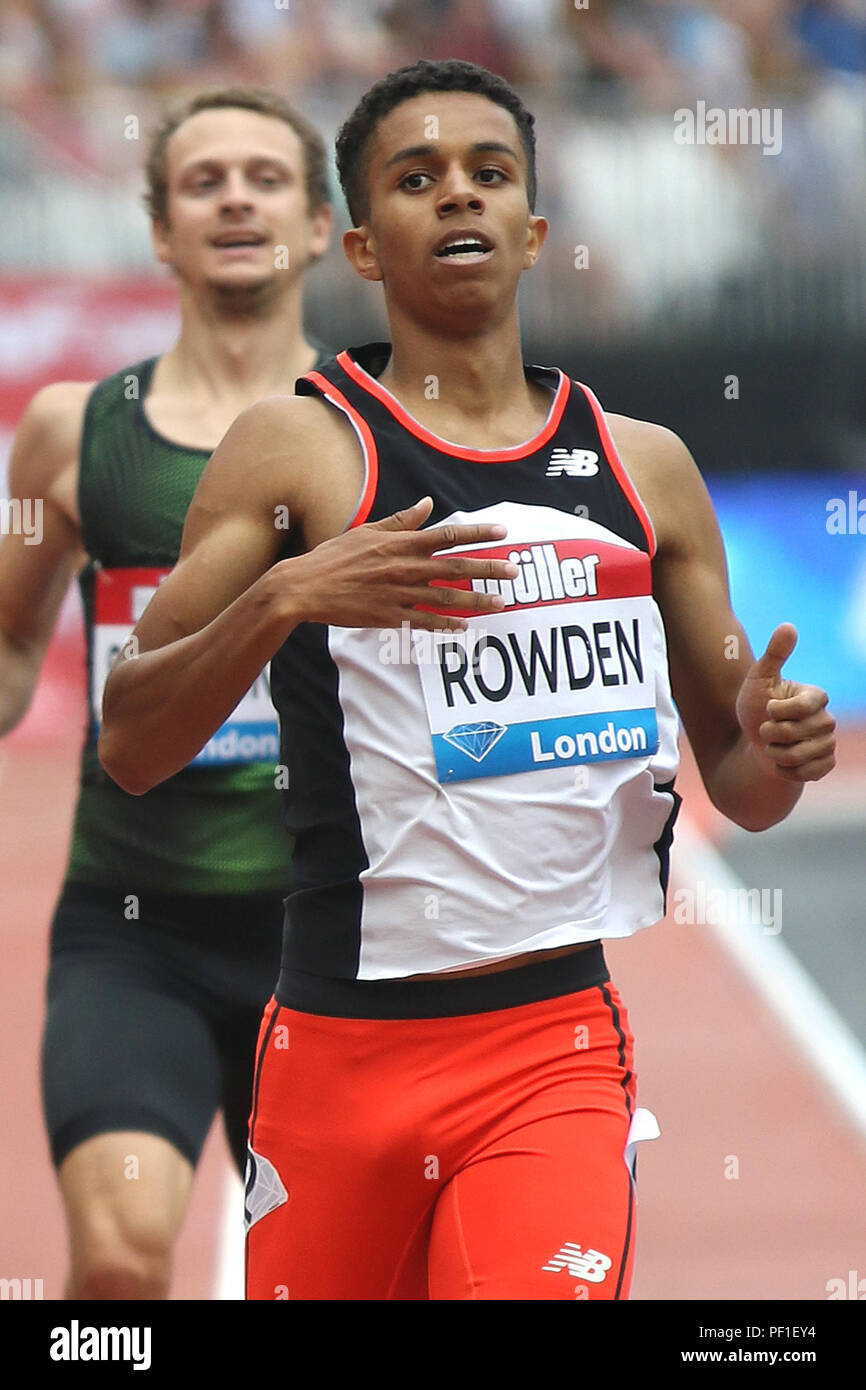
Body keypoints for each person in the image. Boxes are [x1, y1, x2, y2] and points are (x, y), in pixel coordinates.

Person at [99, 59, 836, 1301]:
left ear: (533, 228)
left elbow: (742, 787)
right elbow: (130, 736)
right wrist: (287, 596)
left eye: (488, 175)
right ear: (361, 245)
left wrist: (776, 748)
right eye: (416, 177)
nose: (459, 198)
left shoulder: (643, 469)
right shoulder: (301, 447)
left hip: (552, 1050)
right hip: (338, 1053)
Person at [0, 86, 333, 1300]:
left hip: (336, 944)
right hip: (131, 933)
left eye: (264, 177)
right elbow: (8, 641)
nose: (236, 197)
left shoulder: (377, 428)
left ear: (313, 223)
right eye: (203, 181)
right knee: (118, 1264)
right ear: (159, 232)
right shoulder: (70, 434)